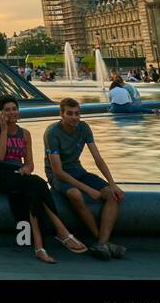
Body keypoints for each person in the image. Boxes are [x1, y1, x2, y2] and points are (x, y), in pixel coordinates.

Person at [0, 96, 87, 263]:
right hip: (1, 174)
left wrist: (26, 169)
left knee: (34, 193)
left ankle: (40, 247)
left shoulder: (25, 133)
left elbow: (30, 164)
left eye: (14, 108)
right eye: (7, 110)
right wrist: (3, 130)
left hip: (21, 176)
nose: (12, 112)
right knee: (38, 183)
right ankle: (62, 232)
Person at [45, 99, 126, 260]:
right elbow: (58, 172)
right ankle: (102, 242)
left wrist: (113, 184)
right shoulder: (52, 132)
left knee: (112, 196)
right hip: (57, 175)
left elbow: (98, 159)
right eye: (70, 113)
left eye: (77, 113)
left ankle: (102, 243)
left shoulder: (84, 128)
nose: (74, 117)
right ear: (61, 114)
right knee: (76, 194)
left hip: (78, 170)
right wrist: (88, 189)